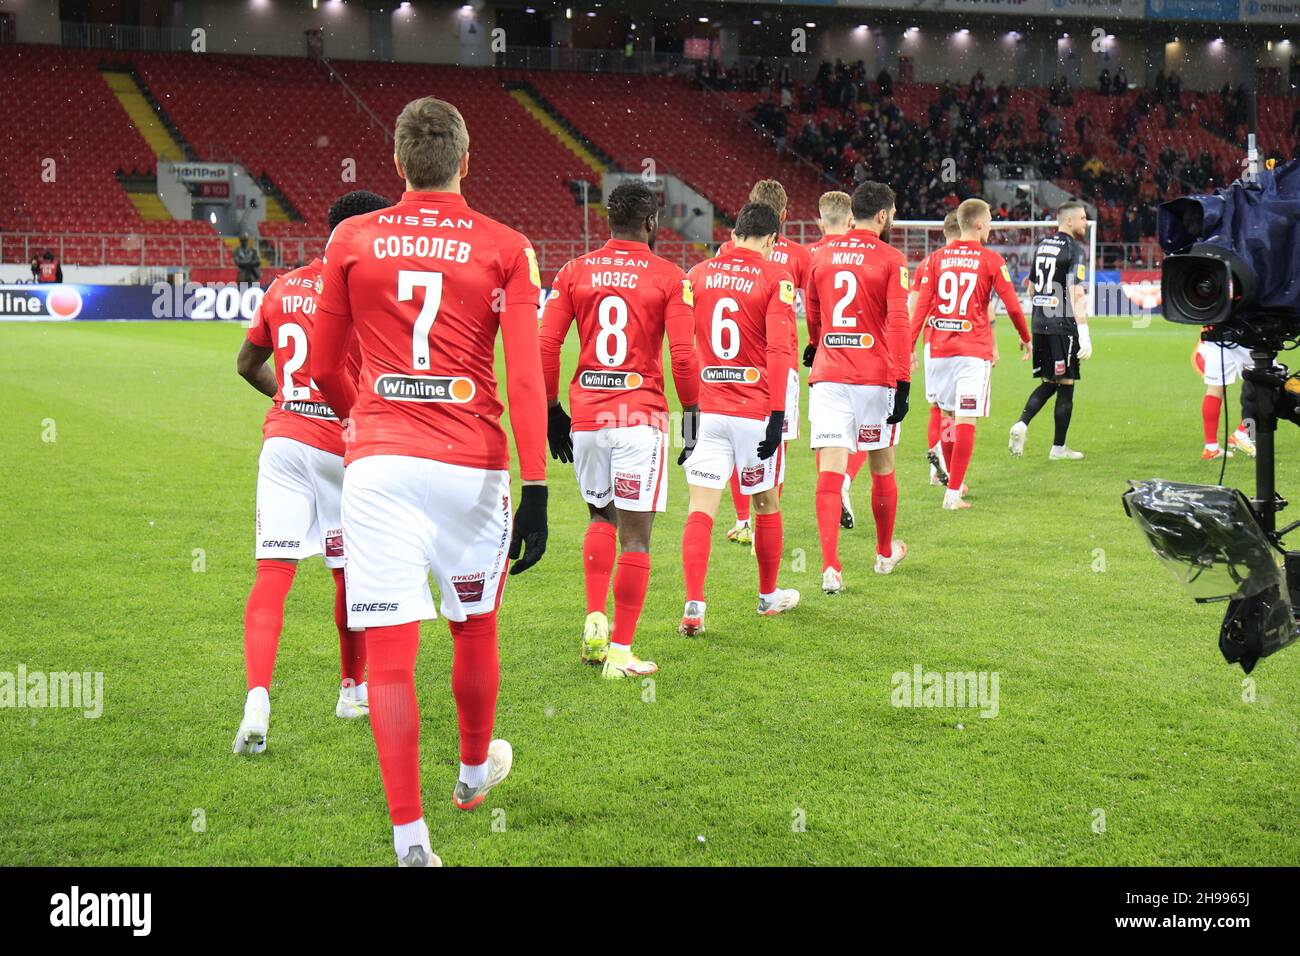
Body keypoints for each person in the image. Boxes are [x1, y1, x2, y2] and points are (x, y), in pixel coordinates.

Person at [310, 96, 549, 868]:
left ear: (397, 163)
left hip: (378, 462)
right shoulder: (507, 246)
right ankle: (474, 777)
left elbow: (316, 368)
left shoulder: (351, 236)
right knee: (474, 627)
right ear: (466, 160)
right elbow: (524, 374)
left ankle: (410, 840)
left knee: (390, 653)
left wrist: (362, 422)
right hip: (471, 465)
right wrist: (539, 487)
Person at [231, 190, 393, 758]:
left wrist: (290, 398)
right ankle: (352, 690)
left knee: (272, 573)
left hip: (282, 441)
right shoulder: (368, 288)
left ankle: (257, 699)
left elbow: (246, 363)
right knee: (348, 572)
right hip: (340, 446)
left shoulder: (282, 285)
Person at [539, 182, 700, 678]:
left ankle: (594, 624)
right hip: (639, 416)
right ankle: (622, 653)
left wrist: (551, 409)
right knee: (637, 537)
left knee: (599, 516)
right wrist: (691, 415)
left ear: (609, 221)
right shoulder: (670, 275)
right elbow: (683, 355)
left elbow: (546, 344)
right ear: (652, 223)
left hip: (587, 415)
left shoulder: (573, 271)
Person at [679, 202, 799, 636]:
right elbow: (780, 349)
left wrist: (687, 416)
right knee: (765, 502)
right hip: (754, 409)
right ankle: (767, 597)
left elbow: (681, 348)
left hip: (706, 409)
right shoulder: (774, 276)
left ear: (733, 233)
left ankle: (694, 603)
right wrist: (778, 415)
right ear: (771, 239)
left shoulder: (697, 274)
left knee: (700, 508)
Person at [805, 181, 910, 594]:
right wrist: (902, 379)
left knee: (831, 472)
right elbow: (899, 322)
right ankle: (884, 555)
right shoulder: (891, 257)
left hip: (830, 375)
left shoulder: (820, 253)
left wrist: (817, 343)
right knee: (881, 465)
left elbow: (812, 309)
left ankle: (831, 567)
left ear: (852, 215)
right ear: (882, 216)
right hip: (874, 377)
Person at [910, 199, 1031, 511]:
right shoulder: (990, 260)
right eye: (989, 221)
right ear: (978, 224)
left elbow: (921, 307)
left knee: (946, 417)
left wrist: (909, 346)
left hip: (938, 349)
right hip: (971, 350)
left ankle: (953, 480)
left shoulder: (936, 259)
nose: (991, 226)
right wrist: (1026, 338)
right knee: (965, 419)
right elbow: (1013, 305)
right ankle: (953, 493)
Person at [716, 180, 810, 547]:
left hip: (734, 360)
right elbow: (815, 303)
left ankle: (743, 520)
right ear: (784, 215)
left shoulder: (727, 248)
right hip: (780, 360)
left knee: (737, 442)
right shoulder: (800, 256)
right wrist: (816, 340)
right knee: (777, 442)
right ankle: (765, 515)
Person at [1009, 200, 1092, 461]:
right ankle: (1058, 448)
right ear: (1068, 221)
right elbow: (1075, 291)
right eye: (1081, 218)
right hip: (1062, 326)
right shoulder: (1074, 249)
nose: (1085, 222)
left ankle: (1022, 424)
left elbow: (1031, 288)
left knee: (1049, 382)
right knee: (1065, 384)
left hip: (1040, 324)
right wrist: (1084, 332)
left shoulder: (1043, 246)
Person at [806, 190, 868, 528]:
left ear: (819, 220)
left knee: (827, 439)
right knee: (862, 434)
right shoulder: (867, 255)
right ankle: (843, 484)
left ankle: (831, 490)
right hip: (863, 361)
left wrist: (813, 343)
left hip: (822, 359)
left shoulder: (809, 255)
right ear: (850, 220)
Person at [907, 211, 961, 488]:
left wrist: (910, 343)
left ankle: (935, 471)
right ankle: (950, 471)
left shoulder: (928, 262)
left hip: (932, 342)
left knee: (937, 408)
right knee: (955, 413)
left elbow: (913, 306)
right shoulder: (971, 261)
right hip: (963, 345)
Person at [1193, 338, 1255, 460]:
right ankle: (1243, 434)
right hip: (1247, 336)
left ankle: (1211, 448)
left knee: (1214, 390)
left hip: (1216, 336)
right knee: (1267, 385)